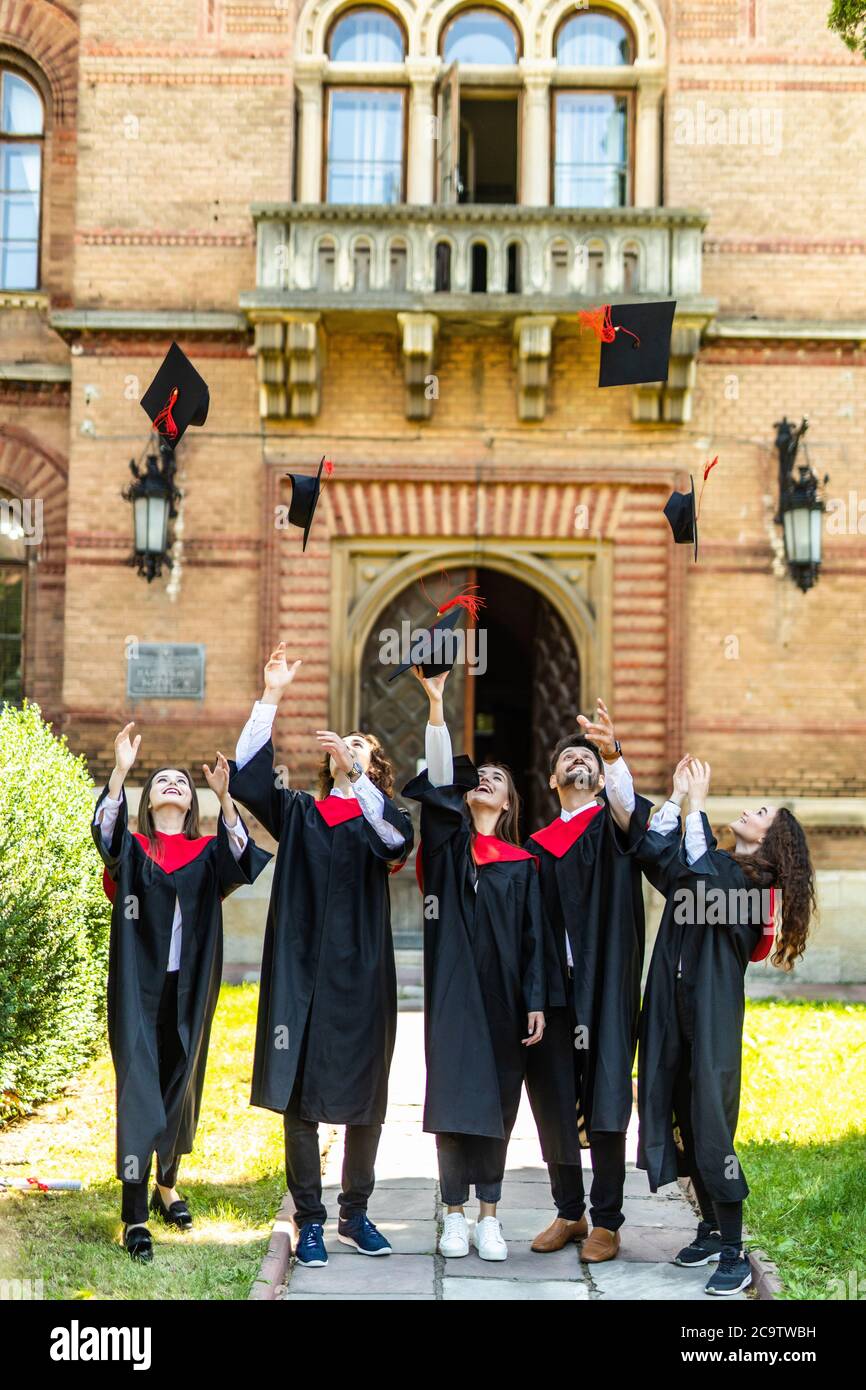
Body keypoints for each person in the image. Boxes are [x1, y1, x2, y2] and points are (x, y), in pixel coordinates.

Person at [228, 644, 413, 1267]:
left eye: (360, 750)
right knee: (303, 1094)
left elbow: (397, 841)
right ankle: (309, 1218)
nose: (346, 751)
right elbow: (252, 781)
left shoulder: (380, 819)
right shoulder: (303, 813)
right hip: (303, 972)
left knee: (365, 1095)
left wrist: (359, 779)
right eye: (342, 748)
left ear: (373, 770)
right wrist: (272, 695)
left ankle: (355, 1214)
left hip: (361, 974)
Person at [635, 756, 815, 1296]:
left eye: (760, 811)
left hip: (711, 1013)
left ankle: (734, 1248)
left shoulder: (755, 891)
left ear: (774, 838)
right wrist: (674, 800)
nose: (747, 809)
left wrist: (698, 805)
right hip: (673, 1004)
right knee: (680, 1109)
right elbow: (656, 857)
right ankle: (710, 1226)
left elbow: (705, 888)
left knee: (711, 1118)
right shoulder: (712, 861)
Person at [93, 724, 270, 1263]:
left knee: (181, 1080)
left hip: (189, 987)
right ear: (149, 802)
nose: (172, 783)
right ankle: (133, 1214)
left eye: (181, 781)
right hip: (137, 987)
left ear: (192, 802)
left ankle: (166, 1182)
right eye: (162, 780)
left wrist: (226, 797)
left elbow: (243, 858)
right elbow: (106, 835)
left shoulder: (205, 854)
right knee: (138, 1087)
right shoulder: (134, 849)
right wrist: (121, 771)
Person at [402, 666, 546, 1262]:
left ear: (509, 802)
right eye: (477, 777)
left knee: (498, 1104)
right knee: (455, 1101)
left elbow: (536, 939)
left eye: (496, 779)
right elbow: (437, 781)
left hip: (506, 998)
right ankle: (453, 1214)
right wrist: (436, 708)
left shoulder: (522, 863)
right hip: (454, 996)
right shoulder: (448, 847)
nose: (484, 780)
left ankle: (491, 1213)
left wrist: (536, 998)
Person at [524, 701, 653, 1263]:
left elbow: (629, 809)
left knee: (604, 1095)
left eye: (587, 758)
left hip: (605, 984)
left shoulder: (615, 828)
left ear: (598, 778)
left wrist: (612, 752)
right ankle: (569, 1212)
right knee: (554, 1098)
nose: (578, 761)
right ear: (553, 781)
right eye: (567, 758)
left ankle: (607, 1220)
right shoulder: (537, 846)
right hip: (556, 990)